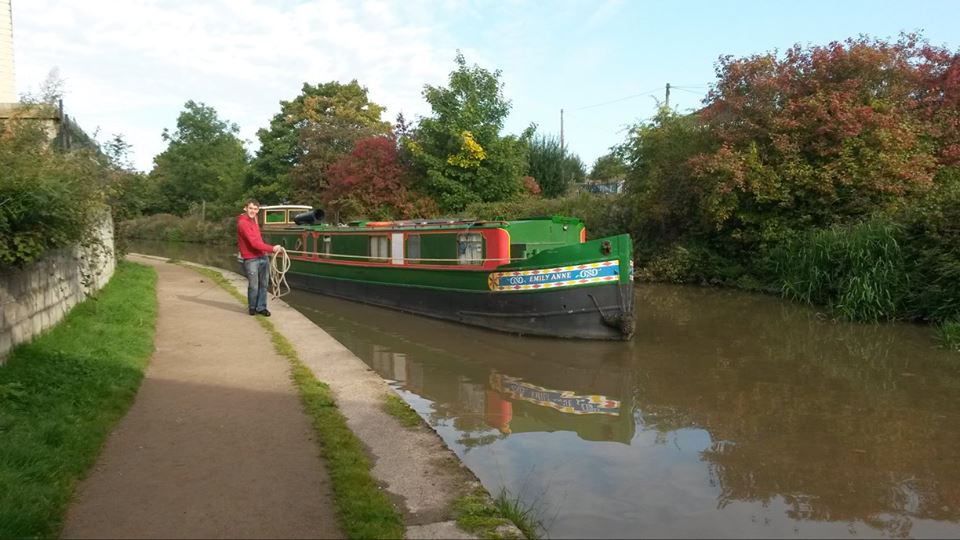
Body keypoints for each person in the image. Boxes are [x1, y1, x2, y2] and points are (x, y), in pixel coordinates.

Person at [236, 199, 281, 316]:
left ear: (258, 210)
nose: (253, 211)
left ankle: (261, 307)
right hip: (251, 259)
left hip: (262, 256)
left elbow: (258, 239)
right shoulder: (243, 223)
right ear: (245, 208)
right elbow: (253, 243)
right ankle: (252, 307)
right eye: (250, 208)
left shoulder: (254, 219)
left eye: (255, 209)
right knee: (254, 285)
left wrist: (265, 252)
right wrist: (272, 248)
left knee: (264, 284)